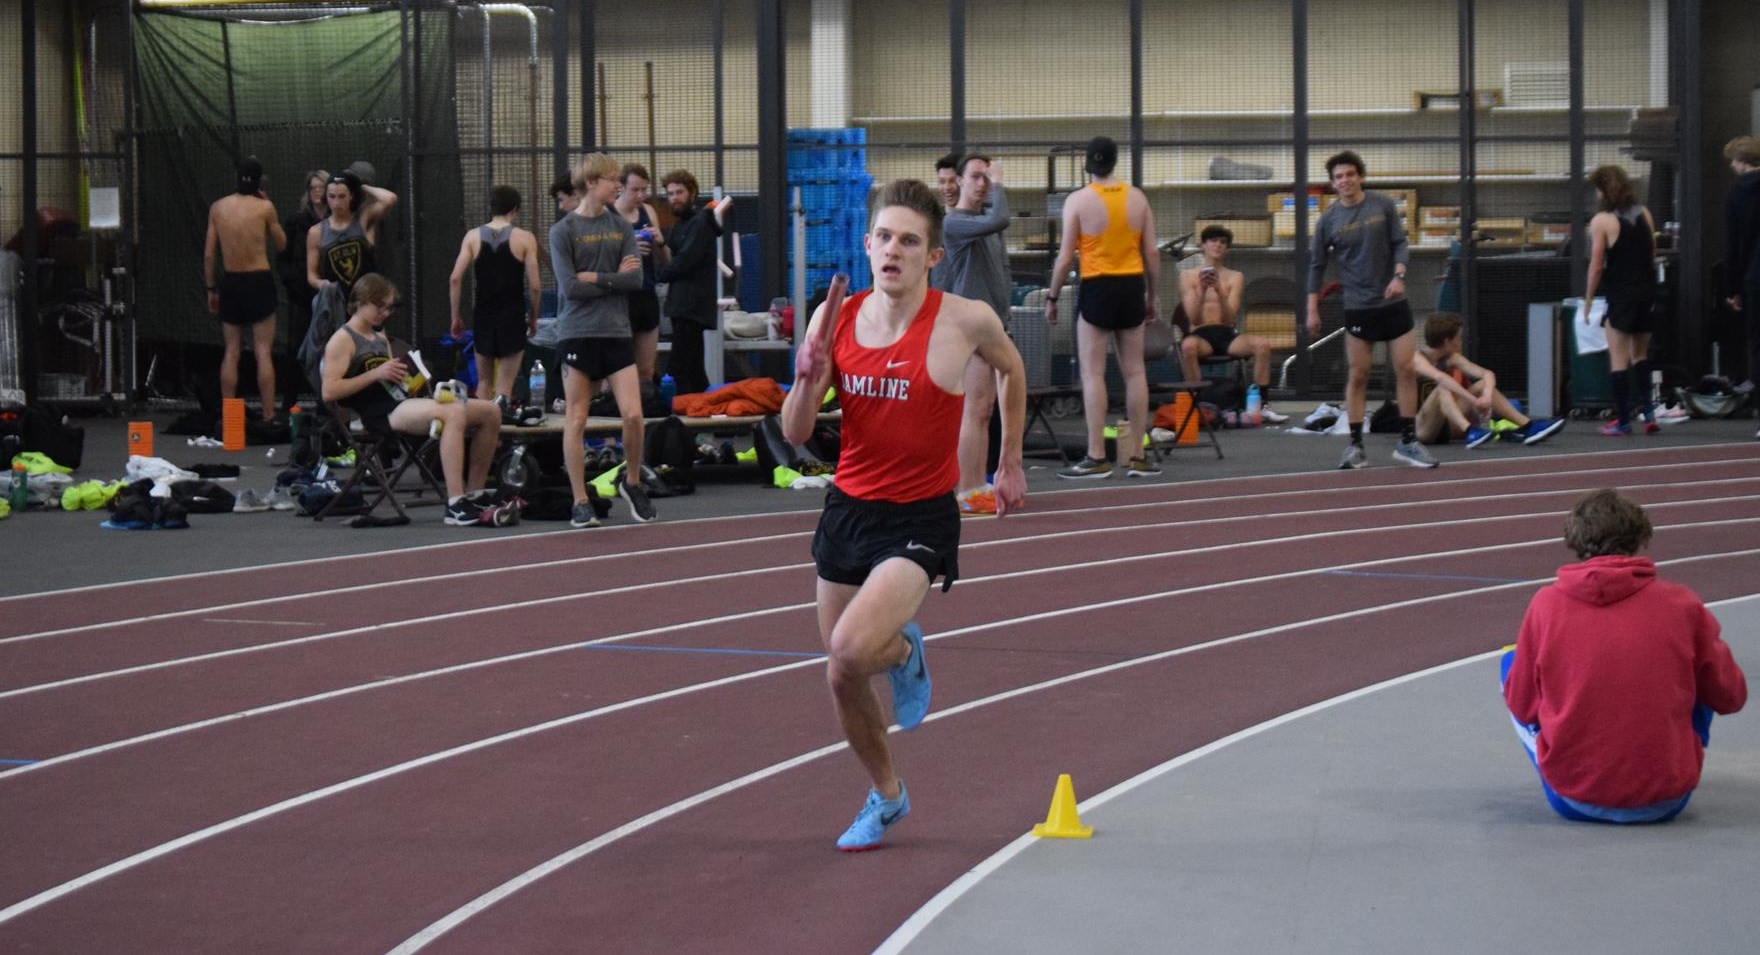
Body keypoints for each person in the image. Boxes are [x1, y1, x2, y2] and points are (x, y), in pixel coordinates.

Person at [782, 178, 1027, 852]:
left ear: (933, 256)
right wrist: (807, 375)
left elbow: (1011, 369)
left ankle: (903, 646)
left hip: (919, 516)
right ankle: (887, 794)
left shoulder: (965, 319)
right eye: (884, 237)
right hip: (848, 509)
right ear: (867, 245)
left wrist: (1009, 461)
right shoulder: (834, 318)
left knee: (851, 648)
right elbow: (797, 431)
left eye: (909, 241)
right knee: (841, 671)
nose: (894, 250)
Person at [1501, 489, 1746, 823]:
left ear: (1574, 541)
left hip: (1574, 798)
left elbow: (1522, 705)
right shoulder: (1683, 605)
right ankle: (1667, 755)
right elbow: (1730, 696)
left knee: (1511, 665)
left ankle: (1571, 758)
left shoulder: (1545, 605)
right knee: (1701, 670)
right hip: (1668, 798)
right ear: (1640, 539)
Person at [319, 274, 512, 527]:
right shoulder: (342, 340)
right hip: (377, 413)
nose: (385, 313)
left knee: (490, 411)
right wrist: (376, 373)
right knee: (453, 412)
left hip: (398, 401)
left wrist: (408, 380)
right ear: (362, 301)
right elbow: (329, 392)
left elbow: (388, 383)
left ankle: (474, 493)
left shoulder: (379, 337)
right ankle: (455, 503)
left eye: (389, 308)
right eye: (380, 307)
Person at [1306, 150, 1435, 469]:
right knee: (1358, 375)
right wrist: (1312, 309)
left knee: (1405, 370)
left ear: (1360, 176)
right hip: (1358, 307)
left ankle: (1408, 442)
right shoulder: (1328, 220)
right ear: (1332, 184)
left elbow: (1400, 244)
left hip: (1393, 303)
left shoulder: (1382, 205)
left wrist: (1399, 276)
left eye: (1350, 174)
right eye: (1338, 177)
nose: (1345, 181)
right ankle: (1355, 447)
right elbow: (1317, 266)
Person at [1043, 135, 1161, 480]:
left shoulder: (1077, 201)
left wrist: (1052, 297)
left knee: (1093, 373)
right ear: (1114, 162)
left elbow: (1065, 258)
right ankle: (1138, 455)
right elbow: (1152, 253)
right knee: (1135, 371)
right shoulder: (1137, 198)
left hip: (1097, 285)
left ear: (1088, 166)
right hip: (1131, 283)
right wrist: (1152, 296)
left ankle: (1097, 456)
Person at [549, 152, 654, 527]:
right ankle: (580, 500)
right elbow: (570, 288)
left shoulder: (621, 227)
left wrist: (597, 277)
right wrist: (611, 277)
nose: (617, 185)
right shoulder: (562, 231)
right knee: (577, 418)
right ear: (591, 183)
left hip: (616, 332)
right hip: (578, 333)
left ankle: (633, 480)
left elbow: (635, 280)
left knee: (634, 414)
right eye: (611, 180)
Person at [934, 156, 1012, 515]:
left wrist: (1005, 316)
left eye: (986, 178)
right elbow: (1001, 217)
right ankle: (966, 489)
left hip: (992, 327)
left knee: (983, 410)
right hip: (968, 330)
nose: (983, 184)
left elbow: (1000, 270)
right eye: (976, 177)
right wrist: (1000, 183)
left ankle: (976, 483)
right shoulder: (955, 223)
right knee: (975, 408)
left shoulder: (985, 226)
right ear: (960, 182)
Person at [1176, 224, 1288, 424]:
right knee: (1188, 346)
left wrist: (1219, 290)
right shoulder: (1187, 276)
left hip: (1226, 333)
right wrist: (1202, 291)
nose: (1217, 245)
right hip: (1201, 334)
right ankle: (1198, 405)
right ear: (1203, 245)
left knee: (1262, 345)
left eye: (1222, 242)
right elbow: (1193, 319)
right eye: (1213, 241)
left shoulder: (1235, 277)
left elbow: (1229, 318)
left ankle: (1262, 405)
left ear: (1226, 248)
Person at [204, 156, 287, 423]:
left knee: (231, 350)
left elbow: (208, 255)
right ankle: (268, 414)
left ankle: (229, 416)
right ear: (260, 181)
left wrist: (211, 288)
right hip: (258, 280)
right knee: (263, 351)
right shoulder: (264, 208)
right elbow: (282, 244)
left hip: (231, 281)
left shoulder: (218, 208)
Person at [1581, 164, 1660, 437]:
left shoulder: (1601, 220)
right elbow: (1652, 250)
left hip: (1621, 293)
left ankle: (1624, 420)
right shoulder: (1645, 214)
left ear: (1602, 190)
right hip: (1646, 291)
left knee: (1618, 359)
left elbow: (1596, 264)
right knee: (1640, 355)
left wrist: (1589, 300)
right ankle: (1649, 413)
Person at [448, 186, 542, 408]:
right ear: (515, 209)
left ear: (492, 208)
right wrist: (534, 317)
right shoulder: (525, 238)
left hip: (484, 315)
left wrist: (455, 316)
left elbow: (454, 278)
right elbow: (536, 286)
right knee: (505, 387)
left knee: (483, 383)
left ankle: (481, 436)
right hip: (512, 315)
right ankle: (501, 437)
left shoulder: (472, 236)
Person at [1411, 313, 1563, 448]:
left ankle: (1528, 427)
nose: (1461, 342)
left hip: (1449, 424)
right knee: (1442, 389)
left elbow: (1486, 373)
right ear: (1447, 341)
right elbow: (1440, 377)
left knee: (1482, 385)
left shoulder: (1451, 358)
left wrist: (1486, 397)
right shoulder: (1417, 359)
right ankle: (1471, 432)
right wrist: (1474, 401)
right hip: (1424, 428)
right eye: (1459, 338)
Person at [655, 169, 733, 397]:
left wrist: (660, 274)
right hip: (683, 306)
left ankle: (682, 415)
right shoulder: (681, 226)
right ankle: (702, 410)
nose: (674, 197)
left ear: (692, 193)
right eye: (670, 193)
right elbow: (675, 257)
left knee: (680, 364)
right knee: (693, 366)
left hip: (691, 306)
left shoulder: (699, 224)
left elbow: (684, 260)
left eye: (679, 192)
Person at [615, 163, 671, 395]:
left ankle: (645, 412)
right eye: (635, 190)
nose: (640, 196)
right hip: (620, 298)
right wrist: (628, 249)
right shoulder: (610, 214)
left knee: (646, 369)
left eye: (644, 190)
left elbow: (667, 259)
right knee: (619, 367)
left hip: (646, 293)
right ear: (621, 188)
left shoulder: (648, 212)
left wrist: (660, 241)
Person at [275, 168, 328, 412]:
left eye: (321, 187)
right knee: (296, 348)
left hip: (328, 296)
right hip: (301, 296)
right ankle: (289, 402)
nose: (317, 192)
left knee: (327, 349)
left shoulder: (336, 221)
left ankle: (325, 403)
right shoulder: (296, 222)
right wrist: (293, 283)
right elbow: (283, 257)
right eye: (313, 188)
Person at [306, 168, 397, 299]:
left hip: (365, 299)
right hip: (335, 300)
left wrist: (361, 185)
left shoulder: (361, 219)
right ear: (326, 197)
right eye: (332, 196)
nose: (337, 203)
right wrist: (322, 284)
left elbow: (390, 198)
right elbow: (311, 275)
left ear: (351, 195)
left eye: (342, 196)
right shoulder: (316, 231)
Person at [1721, 136, 1760, 399]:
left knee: (1757, 342)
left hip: (1754, 275)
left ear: (1740, 161)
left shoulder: (1736, 193)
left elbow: (1732, 245)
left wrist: (1732, 288)